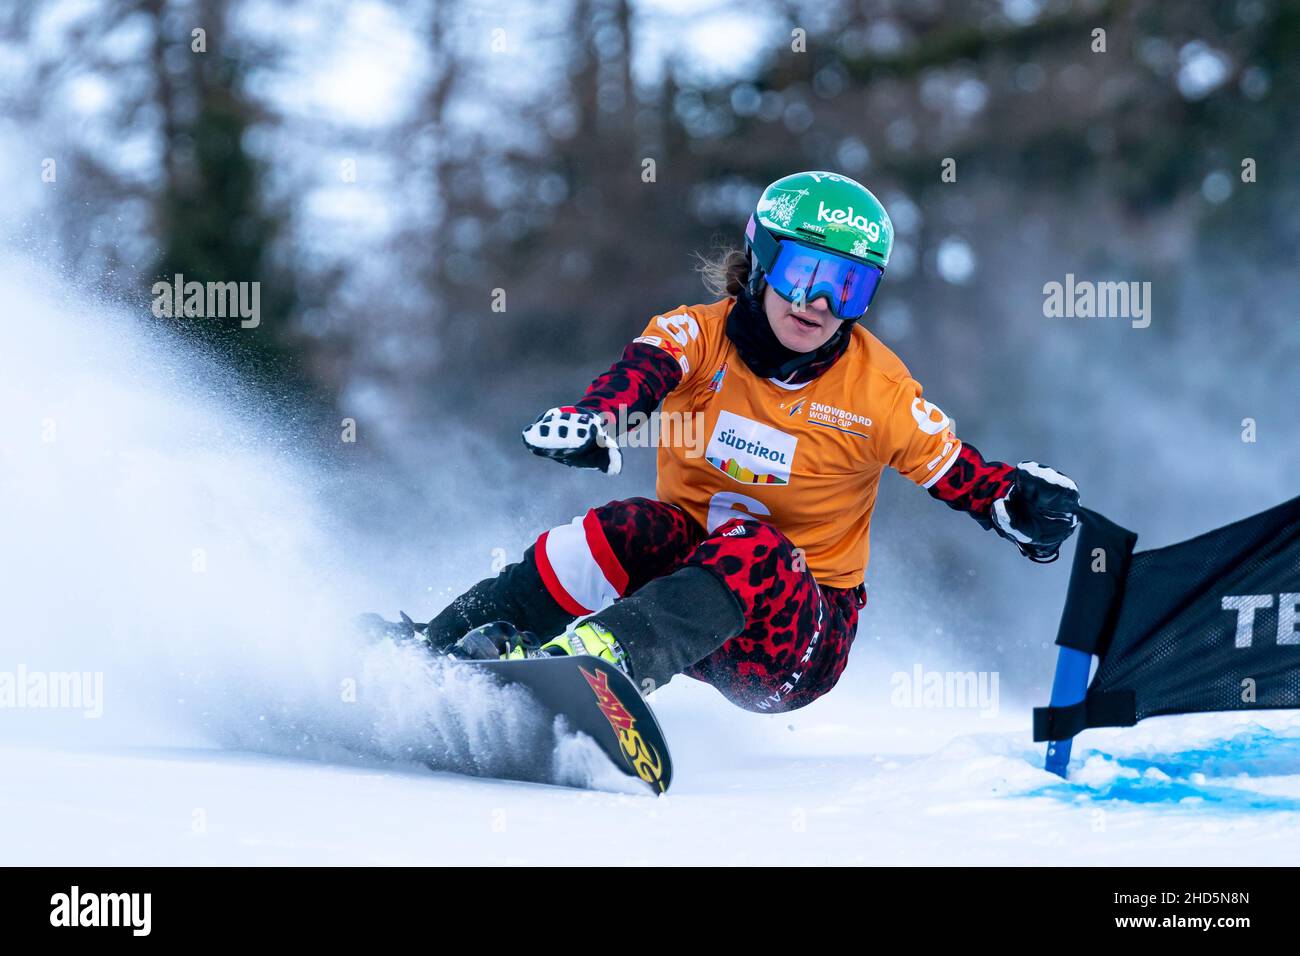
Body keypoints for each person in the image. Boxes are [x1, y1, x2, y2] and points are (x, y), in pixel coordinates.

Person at [392, 171, 1080, 714]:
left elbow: (962, 475)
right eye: (803, 274)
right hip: (685, 601)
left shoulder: (878, 391)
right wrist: (599, 420)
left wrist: (1020, 504)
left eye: (848, 286)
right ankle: (437, 645)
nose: (818, 304)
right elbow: (643, 374)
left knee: (756, 546)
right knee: (627, 526)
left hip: (794, 644)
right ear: (762, 261)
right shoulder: (701, 334)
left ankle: (603, 660)